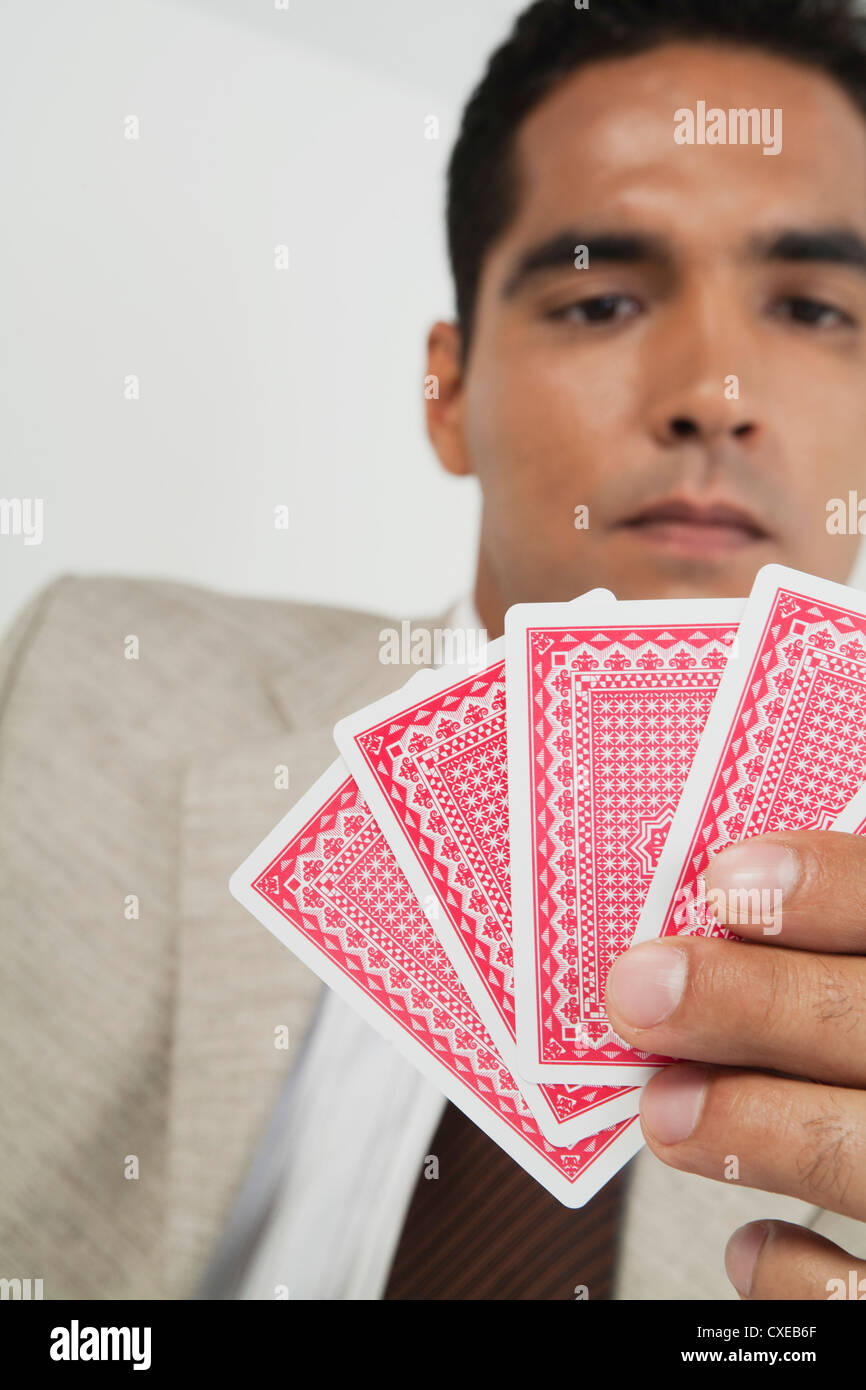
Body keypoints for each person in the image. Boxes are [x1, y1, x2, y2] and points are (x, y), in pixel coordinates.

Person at [2, 0, 866, 1301]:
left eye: (809, 309)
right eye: (602, 299)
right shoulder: (85, 679)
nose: (714, 394)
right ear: (447, 393)